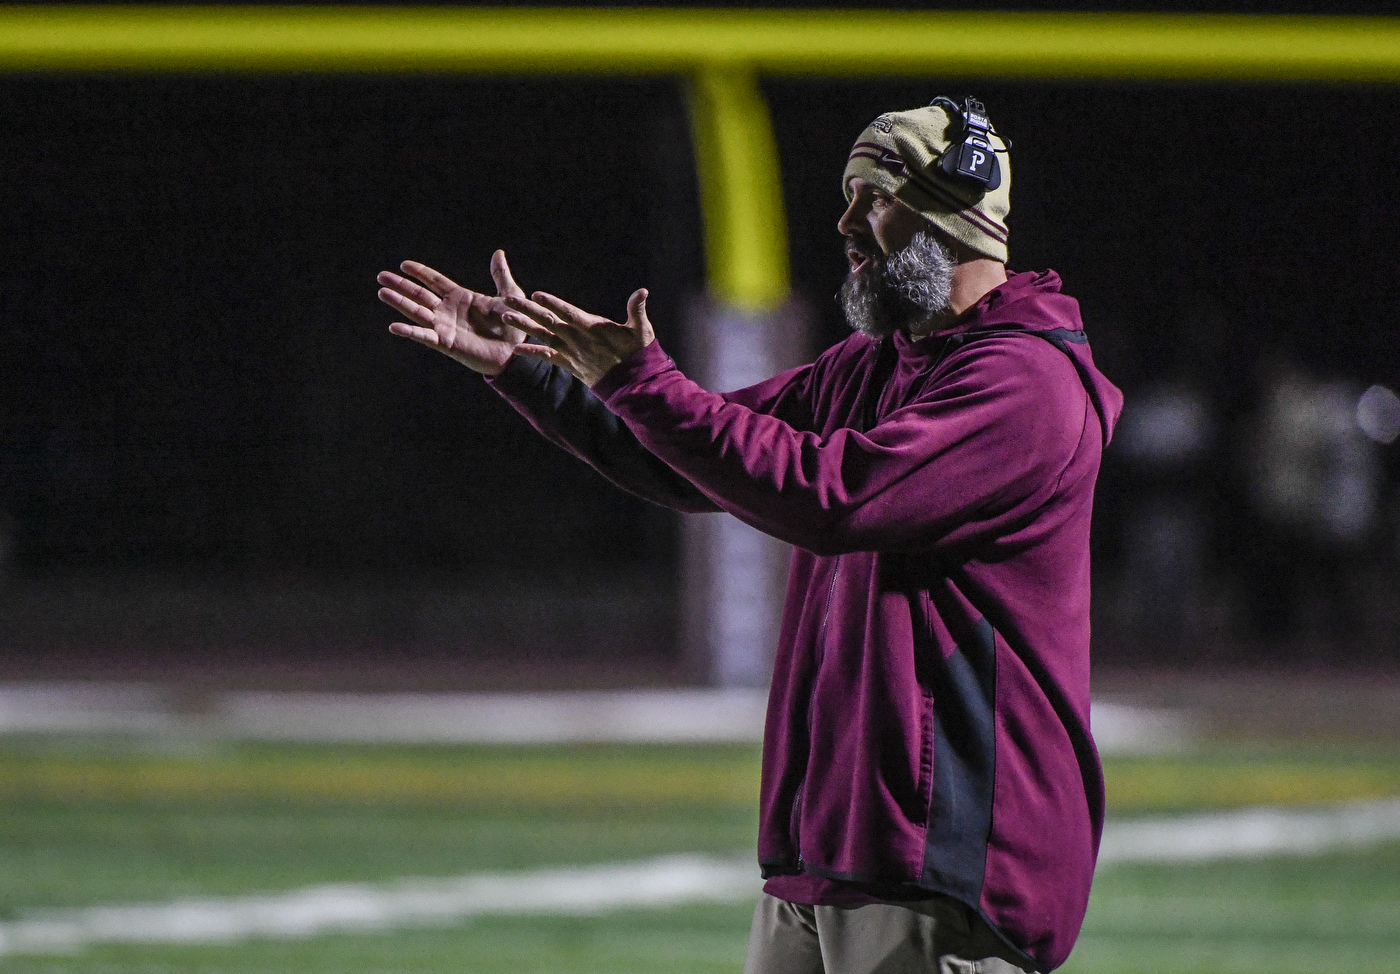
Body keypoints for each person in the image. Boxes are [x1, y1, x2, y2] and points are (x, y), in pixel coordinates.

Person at [377, 100, 1122, 974]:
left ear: (948, 211)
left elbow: (832, 497)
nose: (844, 223)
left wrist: (642, 381)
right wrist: (532, 374)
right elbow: (685, 458)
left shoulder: (1025, 383)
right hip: (832, 851)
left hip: (942, 858)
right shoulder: (878, 362)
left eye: (870, 196)